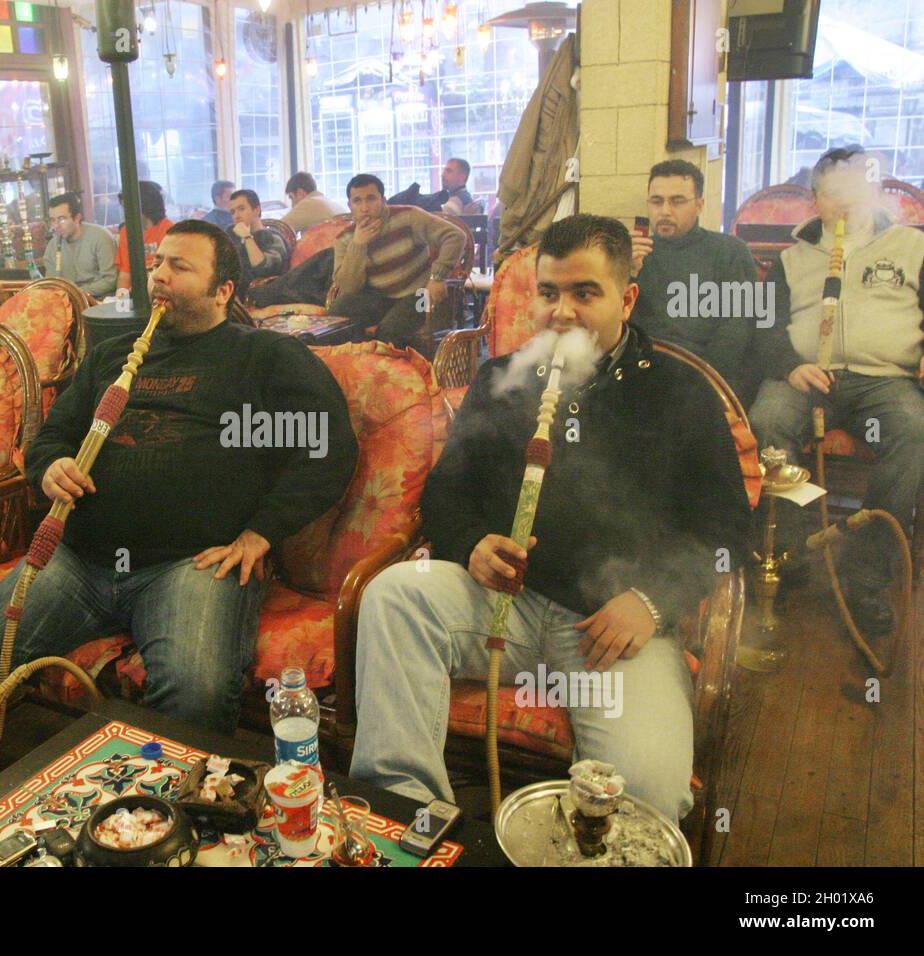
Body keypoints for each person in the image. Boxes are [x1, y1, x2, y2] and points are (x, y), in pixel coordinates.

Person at [349, 214, 752, 822]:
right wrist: (470, 544)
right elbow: (446, 494)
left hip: (607, 630)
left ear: (627, 297)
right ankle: (409, 817)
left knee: (648, 790)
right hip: (501, 604)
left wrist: (653, 600)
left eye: (584, 293)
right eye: (549, 292)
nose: (562, 312)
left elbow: (725, 531)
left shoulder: (679, 392)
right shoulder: (499, 380)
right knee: (395, 594)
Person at [0, 220, 358, 748]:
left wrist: (262, 532)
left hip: (192, 565)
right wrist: (52, 464)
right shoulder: (113, 356)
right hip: (80, 559)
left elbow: (328, 448)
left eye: (179, 267)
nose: (159, 277)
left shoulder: (264, 358)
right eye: (157, 264)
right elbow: (53, 435)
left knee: (194, 697)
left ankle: (172, 823)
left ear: (222, 291)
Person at [750, 147, 924, 636]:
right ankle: (791, 552)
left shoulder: (912, 246)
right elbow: (764, 327)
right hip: (808, 375)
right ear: (815, 199)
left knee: (914, 430)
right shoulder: (791, 258)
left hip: (885, 378)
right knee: (768, 424)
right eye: (832, 193)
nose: (844, 204)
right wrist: (791, 365)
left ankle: (864, 574)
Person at [629, 160, 760, 404]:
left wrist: (695, 380)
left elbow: (736, 332)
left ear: (699, 205)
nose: (665, 211)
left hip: (707, 375)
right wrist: (627, 275)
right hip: (643, 371)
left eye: (677, 201)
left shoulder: (730, 252)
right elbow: (614, 327)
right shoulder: (632, 255)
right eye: (656, 202)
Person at [329, 173, 466, 349]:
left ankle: (396, 369)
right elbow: (349, 288)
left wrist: (438, 277)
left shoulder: (408, 217)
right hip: (378, 298)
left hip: (420, 294)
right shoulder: (345, 238)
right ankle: (357, 363)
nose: (364, 208)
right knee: (334, 320)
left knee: (390, 332)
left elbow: (455, 236)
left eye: (371, 199)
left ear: (383, 200)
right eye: (357, 201)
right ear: (350, 206)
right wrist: (358, 245)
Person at [43, 192, 117, 298]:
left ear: (77, 218)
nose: (56, 226)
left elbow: (110, 280)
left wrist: (76, 293)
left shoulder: (100, 237)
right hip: (67, 301)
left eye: (62, 219)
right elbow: (51, 285)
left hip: (99, 301)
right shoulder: (52, 246)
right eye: (53, 220)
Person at [227, 188, 288, 299]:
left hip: (260, 294)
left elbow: (263, 268)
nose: (236, 216)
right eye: (232, 212)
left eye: (241, 209)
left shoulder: (272, 237)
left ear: (257, 210)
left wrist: (247, 237)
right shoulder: (231, 235)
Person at [115, 181, 175, 294]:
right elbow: (125, 275)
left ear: (144, 206)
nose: (125, 213)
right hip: (137, 294)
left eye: (127, 207)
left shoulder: (169, 229)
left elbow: (171, 271)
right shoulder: (126, 233)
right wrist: (121, 304)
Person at [281, 172, 347, 234]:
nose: (292, 205)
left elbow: (279, 228)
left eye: (291, 198)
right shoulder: (325, 201)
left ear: (300, 193)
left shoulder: (308, 204)